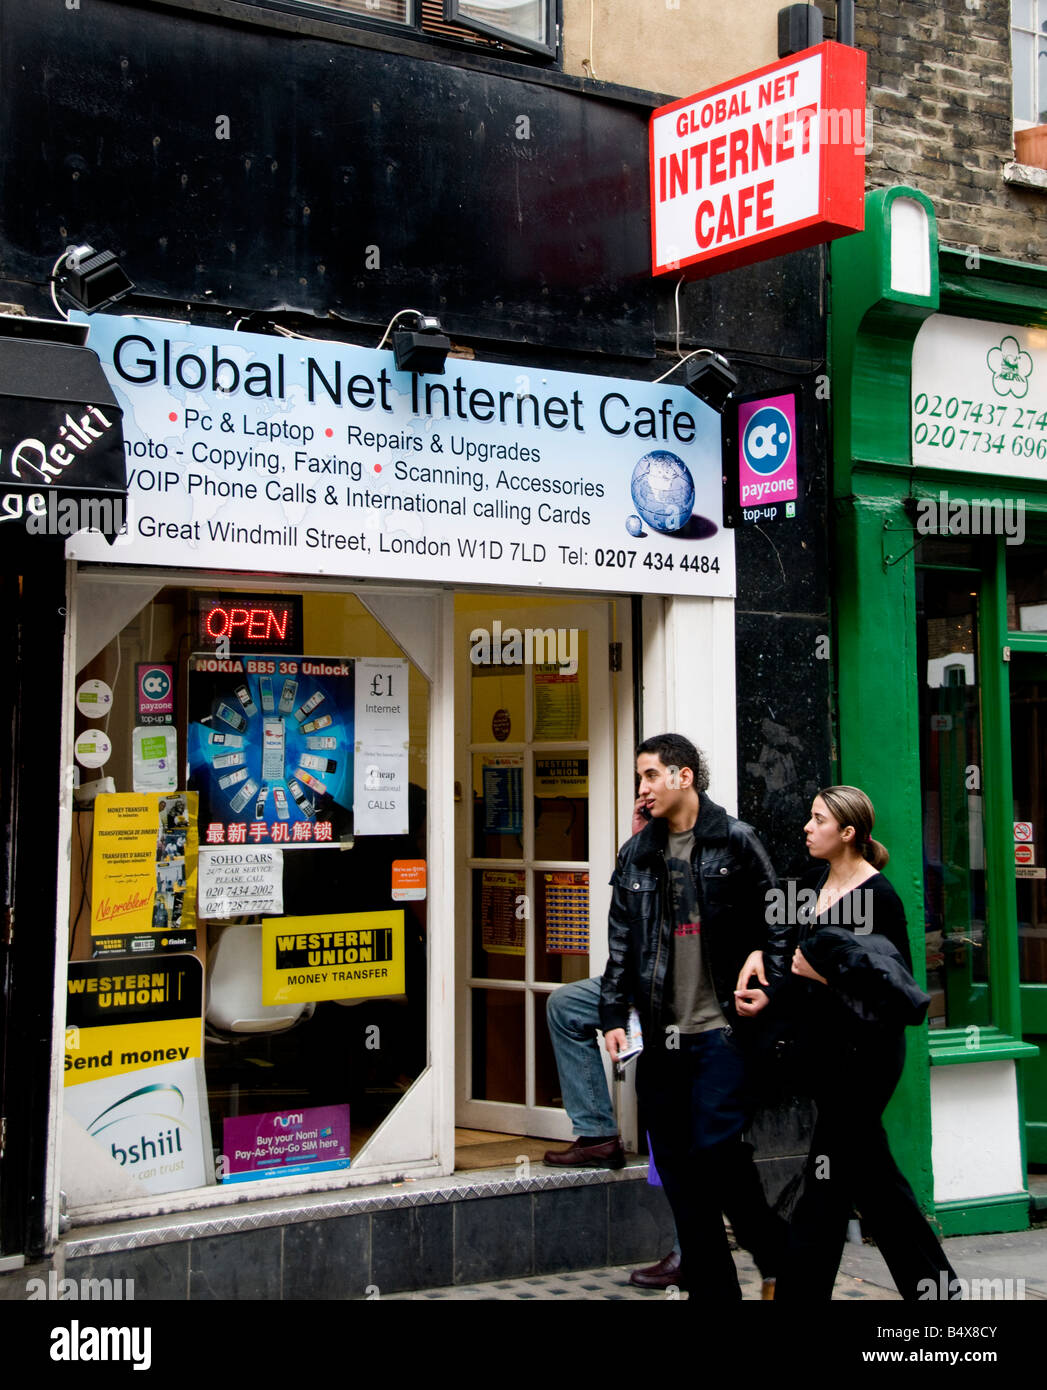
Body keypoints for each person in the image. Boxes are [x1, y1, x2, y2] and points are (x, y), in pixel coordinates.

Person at [744, 785, 960, 1302]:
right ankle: (937, 1292)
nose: (806, 827)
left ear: (847, 833)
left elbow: (896, 990)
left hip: (866, 1060)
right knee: (861, 1183)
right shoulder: (816, 884)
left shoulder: (878, 897)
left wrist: (825, 978)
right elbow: (791, 958)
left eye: (817, 820)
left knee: (834, 1184)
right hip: (826, 1057)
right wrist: (767, 991)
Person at [600, 733, 789, 1301]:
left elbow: (779, 924)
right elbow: (621, 943)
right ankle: (722, 1287)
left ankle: (775, 1253)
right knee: (682, 1177)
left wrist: (767, 965)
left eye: (650, 775)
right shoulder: (637, 853)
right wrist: (612, 1012)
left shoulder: (736, 842)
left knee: (715, 1155)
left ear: (683, 776)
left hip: (723, 1033)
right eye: (639, 778)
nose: (642, 789)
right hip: (660, 1038)